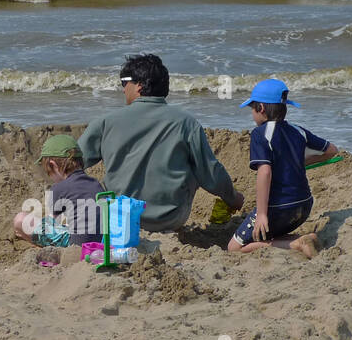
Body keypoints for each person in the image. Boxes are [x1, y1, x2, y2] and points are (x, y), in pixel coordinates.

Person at [78, 54, 244, 232]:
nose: (123, 89)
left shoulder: (105, 123)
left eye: (124, 82)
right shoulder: (186, 123)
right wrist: (233, 198)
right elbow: (211, 173)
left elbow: (69, 163)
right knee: (196, 163)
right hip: (170, 218)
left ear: (140, 85)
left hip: (120, 219)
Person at [228, 78, 338, 257]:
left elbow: (265, 172)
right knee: (268, 233)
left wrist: (262, 214)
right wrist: (298, 162)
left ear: (261, 109)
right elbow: (332, 150)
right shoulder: (298, 130)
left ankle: (295, 244)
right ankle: (301, 238)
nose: (252, 114)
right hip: (303, 207)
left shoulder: (259, 134)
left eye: (252, 109)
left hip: (278, 210)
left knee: (234, 248)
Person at [12, 134, 104, 247]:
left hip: (77, 247)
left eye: (48, 172)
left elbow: (51, 223)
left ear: (53, 165)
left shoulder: (59, 188)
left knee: (20, 219)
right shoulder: (95, 183)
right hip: (102, 242)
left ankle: (38, 245)